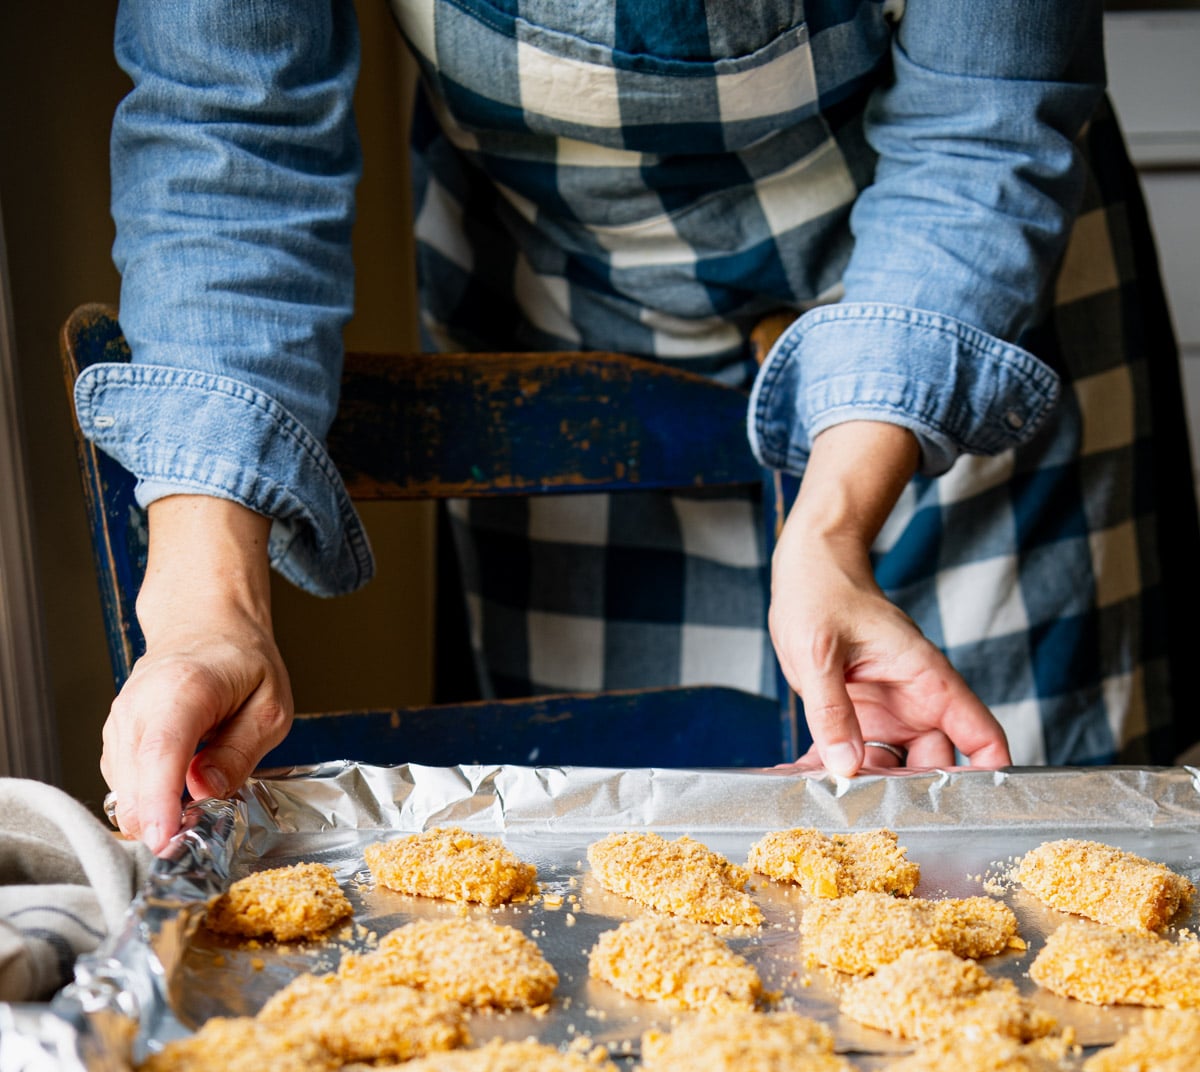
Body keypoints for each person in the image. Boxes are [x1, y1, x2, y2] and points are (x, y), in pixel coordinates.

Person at [77, 0, 1199, 853]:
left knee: (1022, 865)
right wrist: (205, 609)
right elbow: (228, 133)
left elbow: (984, 115)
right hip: (563, 293)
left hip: (964, 296)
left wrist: (835, 528)